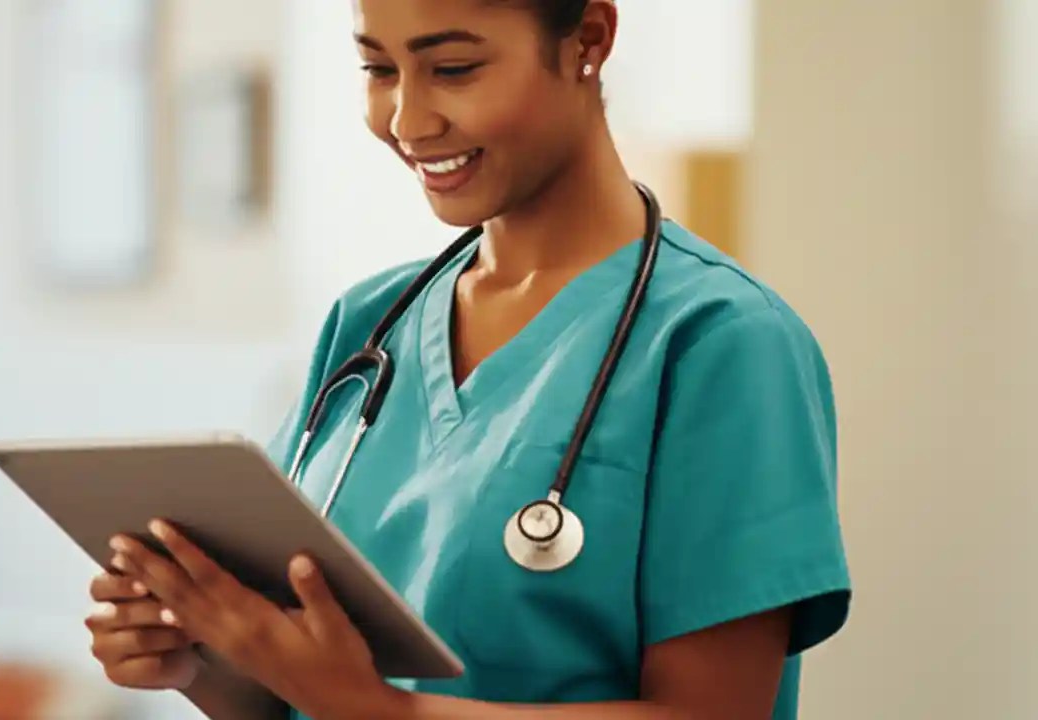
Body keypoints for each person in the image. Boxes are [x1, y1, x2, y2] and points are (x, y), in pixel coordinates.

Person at [84, 1, 852, 718]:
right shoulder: (368, 322)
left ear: (588, 41)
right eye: (379, 71)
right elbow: (304, 695)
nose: (408, 119)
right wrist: (200, 665)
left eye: (452, 69)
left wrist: (384, 712)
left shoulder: (721, 343)